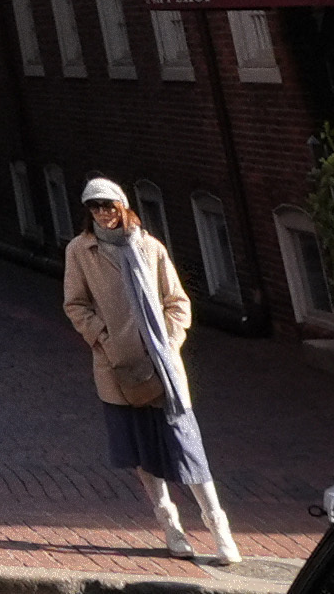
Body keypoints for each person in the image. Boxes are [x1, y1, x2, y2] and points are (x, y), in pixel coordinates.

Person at [62, 177, 238, 566]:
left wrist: (169, 343)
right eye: (95, 207)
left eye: (108, 205)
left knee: (186, 446)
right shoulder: (80, 251)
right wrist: (105, 341)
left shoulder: (149, 246)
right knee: (142, 449)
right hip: (118, 367)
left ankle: (218, 528)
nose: (103, 214)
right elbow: (75, 305)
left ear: (123, 206)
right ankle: (171, 527)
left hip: (163, 367)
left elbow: (177, 302)